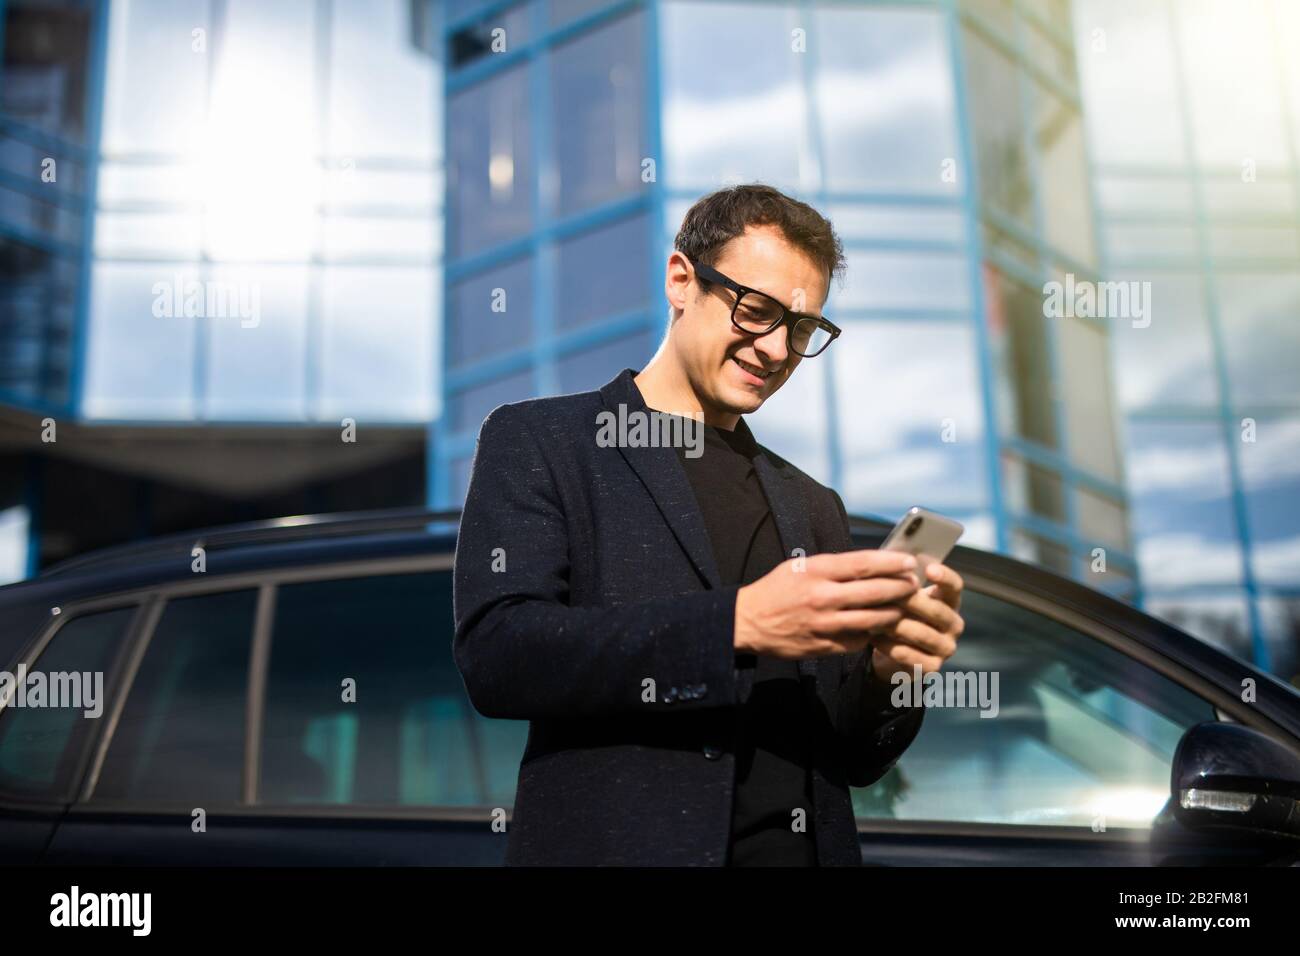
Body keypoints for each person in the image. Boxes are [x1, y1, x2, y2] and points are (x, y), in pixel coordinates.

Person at [453, 183, 965, 866]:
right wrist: (736, 626)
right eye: (756, 312)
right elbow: (500, 656)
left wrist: (890, 673)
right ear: (680, 280)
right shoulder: (542, 441)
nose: (777, 349)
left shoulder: (813, 505)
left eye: (802, 328)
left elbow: (852, 757)